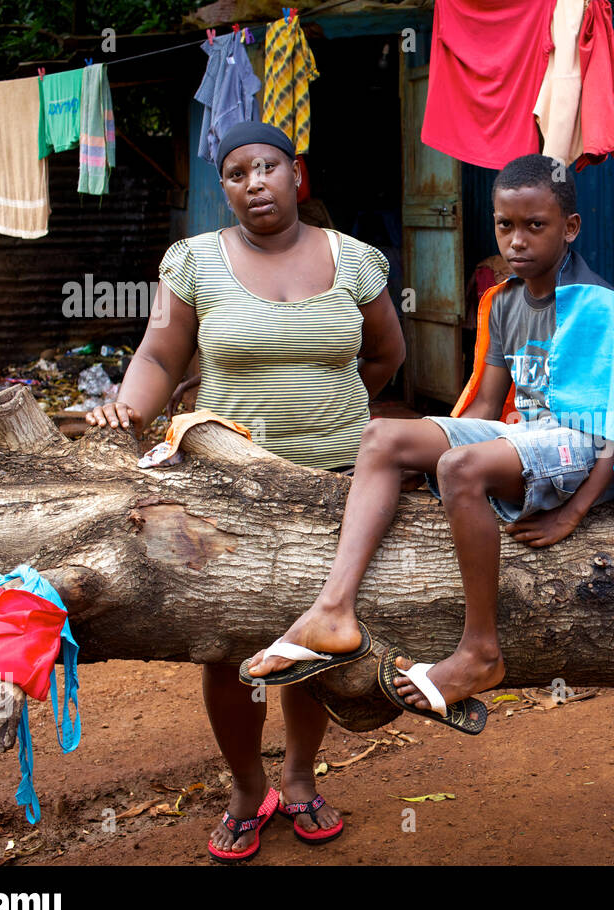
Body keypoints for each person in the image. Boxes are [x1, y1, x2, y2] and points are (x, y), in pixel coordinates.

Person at [243, 153, 614, 733]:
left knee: (461, 468)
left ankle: (481, 652)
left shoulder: (597, 305)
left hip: (581, 447)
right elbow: (483, 405)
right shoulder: (504, 301)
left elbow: (612, 432)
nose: (517, 241)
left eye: (535, 226)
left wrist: (572, 514)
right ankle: (333, 611)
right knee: (382, 436)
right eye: (505, 225)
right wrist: (428, 452)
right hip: (529, 437)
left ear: (570, 227)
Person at [84, 121, 406, 861]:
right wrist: (126, 411)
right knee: (225, 645)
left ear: (296, 175)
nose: (254, 182)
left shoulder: (356, 260)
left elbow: (385, 354)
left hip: (333, 484)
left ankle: (299, 778)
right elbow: (159, 356)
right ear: (225, 188)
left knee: (312, 638)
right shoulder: (194, 261)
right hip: (229, 489)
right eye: (236, 173)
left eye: (267, 167)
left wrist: (327, 406)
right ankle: (244, 786)